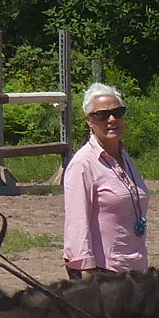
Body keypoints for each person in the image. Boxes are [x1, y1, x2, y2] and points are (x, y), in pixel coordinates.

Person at [62, 81, 150, 275]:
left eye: (117, 113)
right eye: (102, 115)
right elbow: (77, 224)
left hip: (135, 267)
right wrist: (86, 273)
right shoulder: (82, 165)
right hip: (103, 272)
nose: (111, 120)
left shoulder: (124, 156)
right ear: (89, 121)